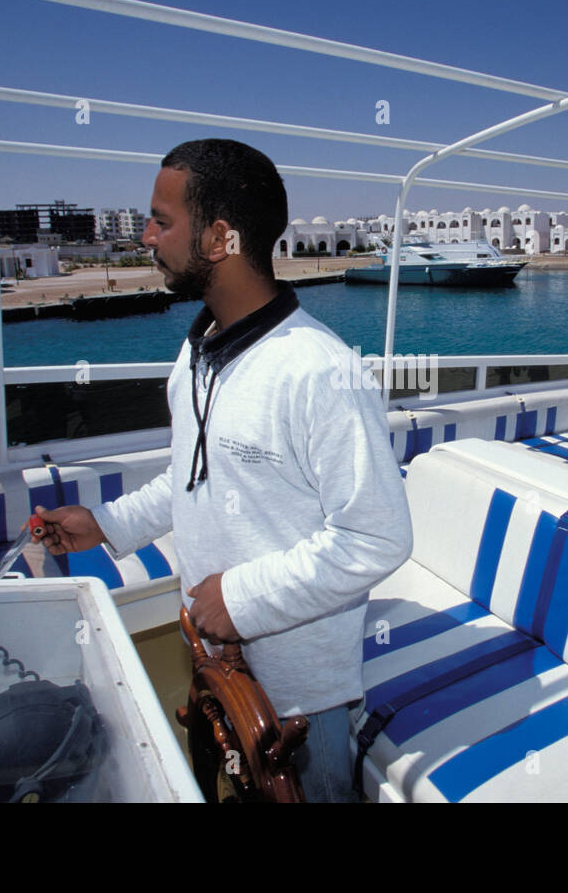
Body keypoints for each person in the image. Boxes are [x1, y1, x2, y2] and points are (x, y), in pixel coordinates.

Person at [32, 139, 413, 802]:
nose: (146, 236)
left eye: (161, 219)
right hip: (210, 659)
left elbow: (377, 536)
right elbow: (194, 474)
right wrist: (107, 523)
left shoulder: (318, 370)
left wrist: (240, 598)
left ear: (217, 237)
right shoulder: (199, 353)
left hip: (299, 696)